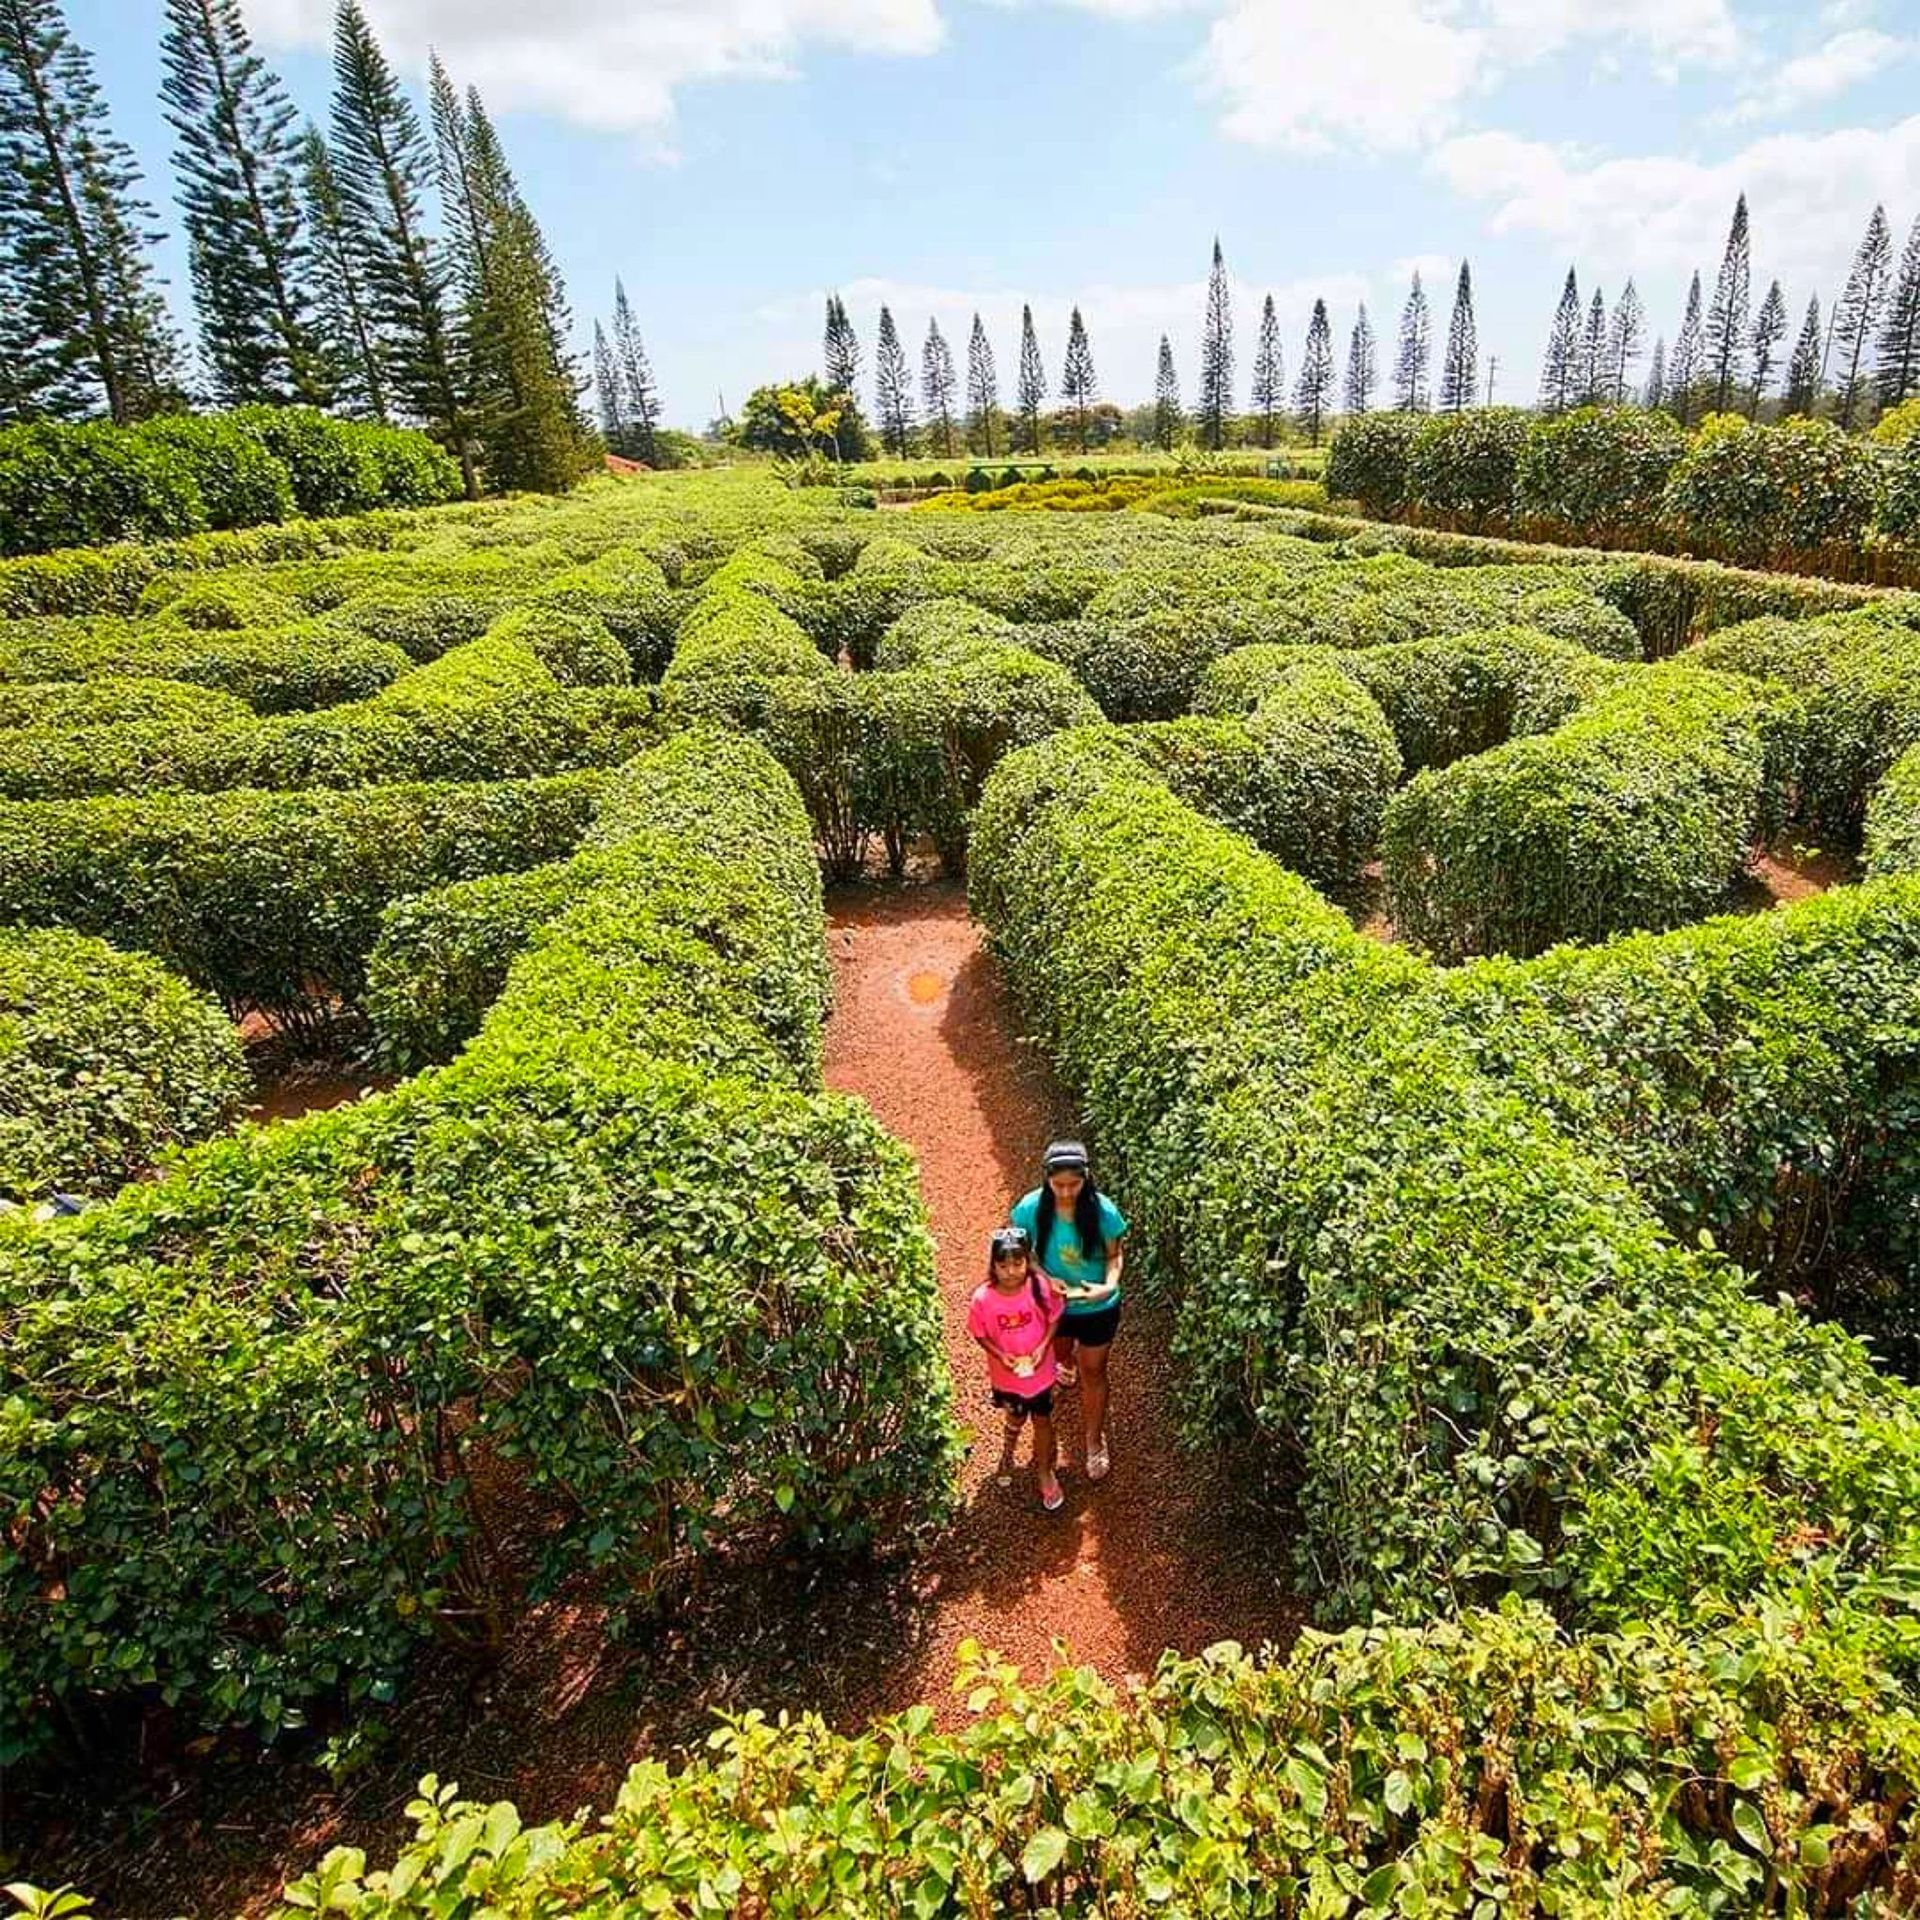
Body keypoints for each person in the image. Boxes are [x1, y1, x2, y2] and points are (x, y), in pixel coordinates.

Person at [1010, 1140, 1126, 1482]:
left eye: (1073, 1185)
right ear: (1046, 1179)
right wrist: (1044, 1277)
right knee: (1059, 1357)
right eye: (1057, 1185)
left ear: (1086, 1179)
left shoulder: (1104, 1211)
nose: (1065, 1192)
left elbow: (1114, 1256)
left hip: (1097, 1304)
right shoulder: (1030, 1208)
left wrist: (1108, 1285)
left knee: (1095, 1370)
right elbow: (1024, 1253)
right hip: (1052, 1304)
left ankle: (1093, 1440)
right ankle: (1067, 1364)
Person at [967, 1225, 1066, 1511]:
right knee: (1015, 1415)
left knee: (1043, 1420)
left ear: (1027, 1261)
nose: (1011, 1271)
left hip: (1042, 1373)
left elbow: (1054, 1317)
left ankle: (1045, 1472)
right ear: (993, 1266)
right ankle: (1007, 1451)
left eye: (1017, 1263)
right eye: (1003, 1265)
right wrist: (1000, 1355)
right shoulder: (983, 1299)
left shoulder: (1039, 1286)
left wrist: (1043, 1347)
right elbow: (980, 1333)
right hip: (1007, 1377)